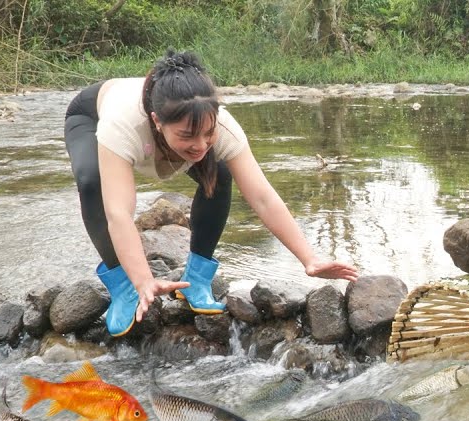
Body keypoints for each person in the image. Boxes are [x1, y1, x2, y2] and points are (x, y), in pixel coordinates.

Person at [64, 49, 359, 337]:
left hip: (160, 125)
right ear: (156, 122)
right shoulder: (123, 126)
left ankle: (198, 276)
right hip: (90, 115)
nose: (201, 145)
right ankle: (121, 285)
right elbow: (119, 214)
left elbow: (263, 197)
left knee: (221, 173)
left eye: (208, 133)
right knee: (92, 182)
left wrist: (309, 259)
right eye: (187, 136)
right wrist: (142, 280)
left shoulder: (222, 127)